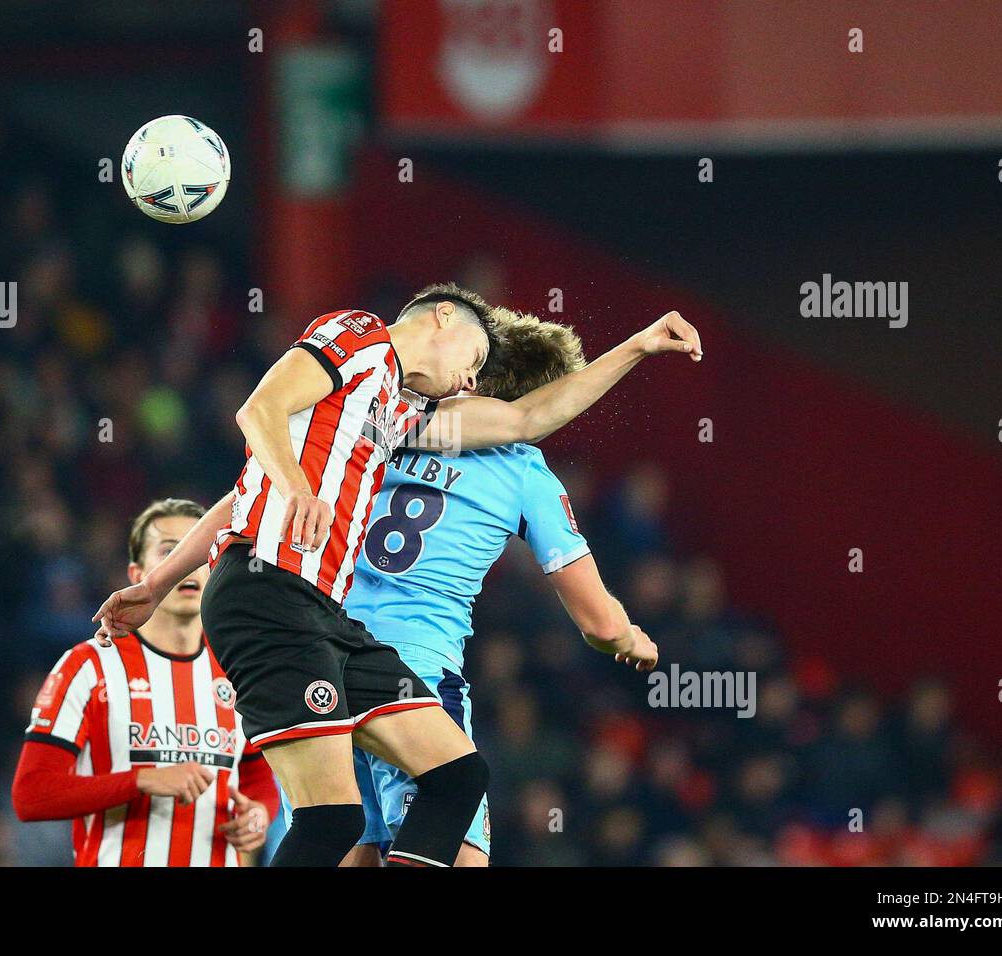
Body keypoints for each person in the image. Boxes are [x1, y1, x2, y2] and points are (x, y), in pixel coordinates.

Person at [93, 283, 702, 867]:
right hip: (303, 612)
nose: (469, 380)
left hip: (334, 627)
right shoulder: (356, 337)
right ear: (442, 318)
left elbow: (523, 420)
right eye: (473, 359)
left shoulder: (391, 418)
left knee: (438, 787)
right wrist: (298, 490)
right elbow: (259, 409)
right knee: (351, 825)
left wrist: (639, 344)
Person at [322, 308, 660, 867]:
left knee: (351, 849)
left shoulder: (392, 423)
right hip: (412, 674)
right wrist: (631, 639)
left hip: (319, 656)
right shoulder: (523, 470)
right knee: (459, 856)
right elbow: (600, 624)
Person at [13, 499, 279, 866]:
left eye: (198, 551)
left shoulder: (239, 669)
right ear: (138, 574)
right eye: (170, 551)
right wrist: (141, 781)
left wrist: (259, 814)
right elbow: (31, 794)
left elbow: (258, 772)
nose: (187, 566)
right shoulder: (90, 665)